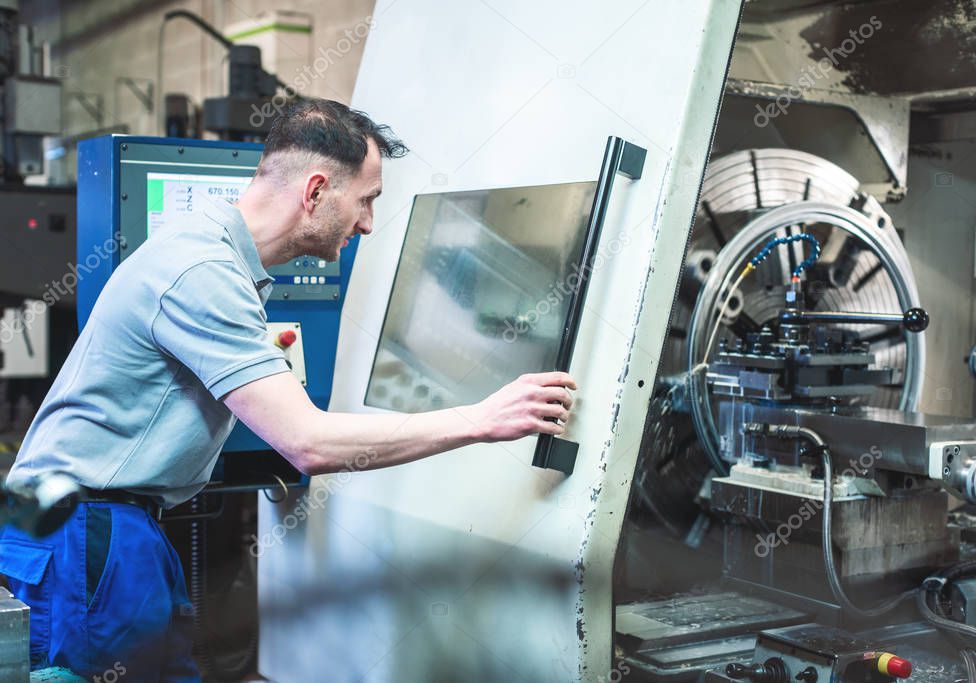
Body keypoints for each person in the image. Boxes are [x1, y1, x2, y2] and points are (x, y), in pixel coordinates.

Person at [0, 98, 576, 681]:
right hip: (88, 530)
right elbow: (308, 442)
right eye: (367, 200)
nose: (368, 223)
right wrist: (480, 419)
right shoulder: (203, 271)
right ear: (317, 190)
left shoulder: (215, 258)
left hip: (101, 526)